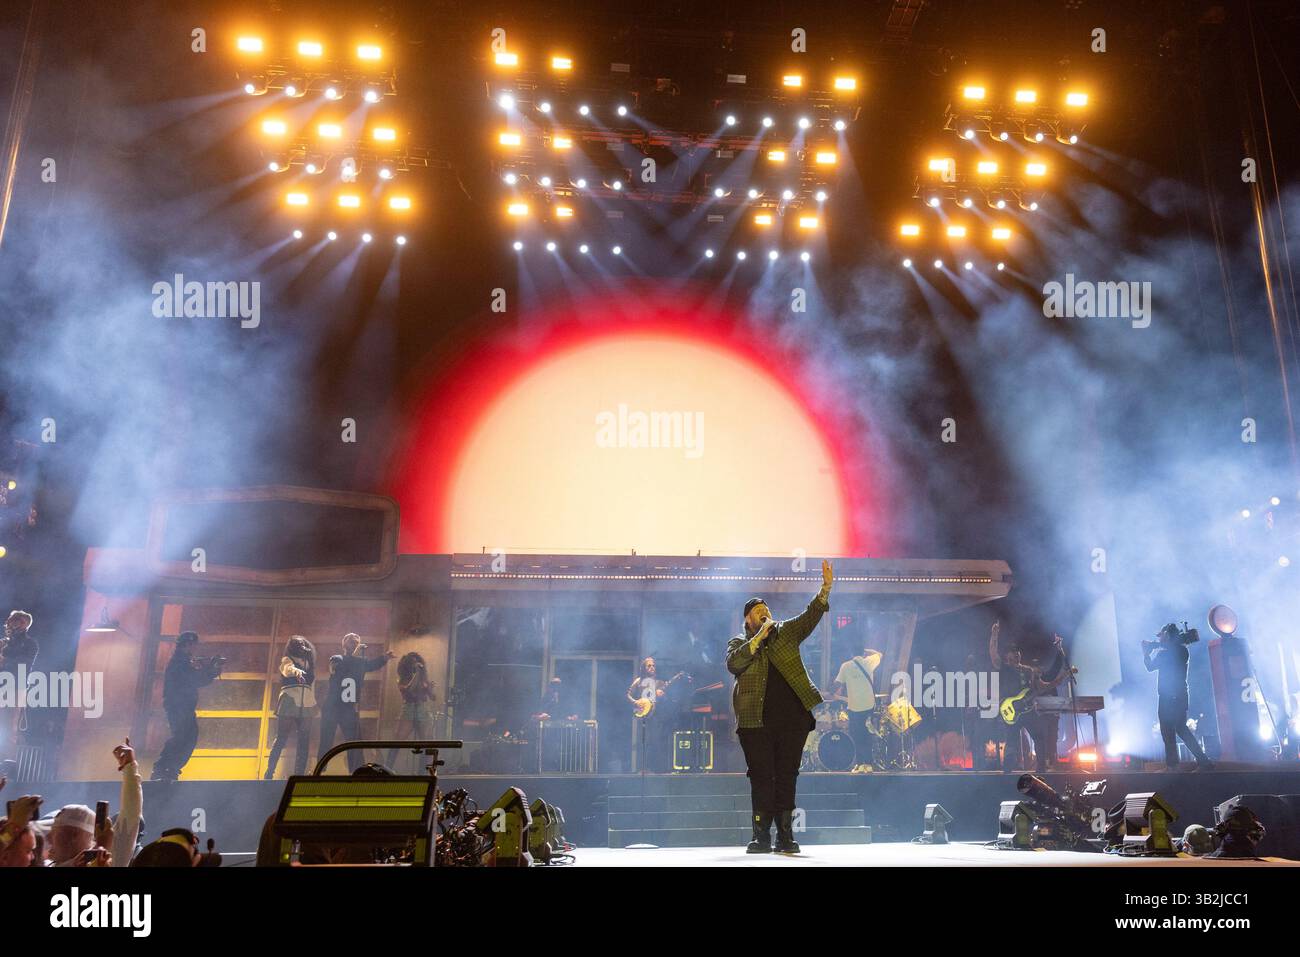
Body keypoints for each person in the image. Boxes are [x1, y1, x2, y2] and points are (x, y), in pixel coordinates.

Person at [726, 559, 833, 855]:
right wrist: (759, 638)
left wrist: (824, 590)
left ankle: (785, 835)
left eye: (767, 610)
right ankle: (760, 836)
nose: (765, 613)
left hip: (792, 720)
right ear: (748, 621)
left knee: (787, 774)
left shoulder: (786, 632)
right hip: (755, 722)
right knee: (761, 776)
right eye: (758, 612)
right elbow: (733, 663)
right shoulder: (739, 642)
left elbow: (810, 616)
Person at [152, 632, 223, 781]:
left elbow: (195, 679)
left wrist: (208, 670)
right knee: (183, 736)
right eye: (194, 644)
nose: (196, 648)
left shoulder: (182, 660)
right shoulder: (180, 662)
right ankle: (164, 766)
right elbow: (194, 679)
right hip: (179, 706)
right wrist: (210, 671)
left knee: (185, 736)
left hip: (182, 706)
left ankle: (170, 767)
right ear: (188, 644)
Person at [318, 634, 394, 772]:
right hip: (332, 707)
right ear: (344, 645)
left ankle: (356, 771)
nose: (354, 643)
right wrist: (355, 655)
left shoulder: (361, 662)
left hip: (348, 708)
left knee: (354, 741)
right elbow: (337, 668)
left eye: (356, 642)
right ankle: (319, 771)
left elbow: (372, 665)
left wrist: (385, 658)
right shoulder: (337, 658)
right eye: (351, 641)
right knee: (326, 738)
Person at [1143, 623, 1213, 770]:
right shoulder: (1182, 651)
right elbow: (1170, 648)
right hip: (1181, 695)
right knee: (1181, 728)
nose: (1159, 638)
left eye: (1161, 635)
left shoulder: (1166, 653)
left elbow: (1150, 667)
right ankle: (1203, 761)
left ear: (1167, 635)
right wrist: (1157, 645)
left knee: (1167, 731)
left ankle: (1173, 766)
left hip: (1168, 697)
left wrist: (1146, 653)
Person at [265, 636, 317, 779]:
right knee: (281, 737)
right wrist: (296, 672)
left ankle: (299, 774)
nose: (301, 645)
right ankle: (269, 771)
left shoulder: (309, 662)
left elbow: (312, 683)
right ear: (293, 646)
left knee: (304, 739)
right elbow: (287, 669)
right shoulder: (286, 660)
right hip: (290, 699)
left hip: (306, 701)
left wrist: (314, 701)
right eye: (298, 644)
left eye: (303, 643)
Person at [832, 644, 884, 769]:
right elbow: (880, 654)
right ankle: (869, 764)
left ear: (851, 653)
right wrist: (867, 650)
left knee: (857, 734)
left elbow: (837, 684)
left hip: (854, 706)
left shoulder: (846, 666)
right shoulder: (869, 662)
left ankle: (861, 764)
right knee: (867, 733)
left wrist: (832, 690)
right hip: (868, 705)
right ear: (863, 653)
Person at [387, 652, 436, 771]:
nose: (416, 664)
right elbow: (408, 690)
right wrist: (417, 675)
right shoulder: (402, 680)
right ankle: (386, 769)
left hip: (423, 709)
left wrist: (429, 688)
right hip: (409, 710)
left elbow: (433, 697)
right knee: (397, 741)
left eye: (417, 662)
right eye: (413, 662)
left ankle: (424, 773)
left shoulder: (424, 679)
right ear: (407, 666)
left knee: (426, 743)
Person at [0, 610, 38, 759]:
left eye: (18, 621)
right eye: (12, 620)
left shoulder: (30, 644)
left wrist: (4, 660)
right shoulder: (3, 642)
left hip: (15, 688)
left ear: (26, 625)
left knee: (9, 726)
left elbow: (24, 665)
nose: (13, 624)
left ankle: (6, 765)